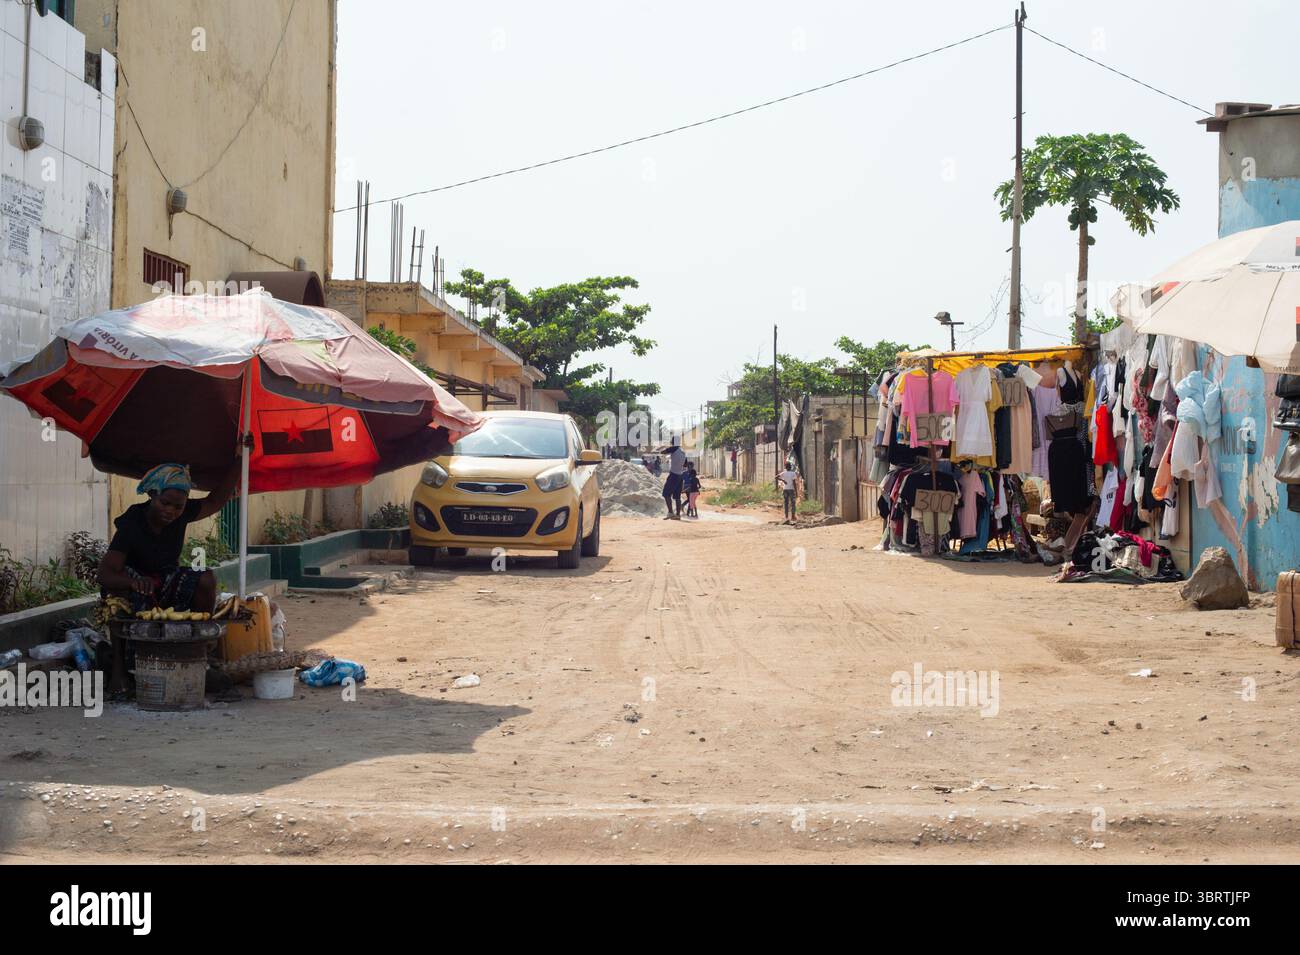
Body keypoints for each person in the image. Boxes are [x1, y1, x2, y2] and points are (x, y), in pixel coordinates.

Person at [98, 462, 240, 614]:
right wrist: (133, 582)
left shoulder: (183, 513)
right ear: (152, 494)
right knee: (118, 589)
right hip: (137, 588)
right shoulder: (132, 522)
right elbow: (105, 573)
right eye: (165, 503)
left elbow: (215, 501)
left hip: (167, 584)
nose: (170, 511)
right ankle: (126, 635)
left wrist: (238, 460)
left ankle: (201, 633)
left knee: (206, 578)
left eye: (178, 506)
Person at [659, 437, 687, 520]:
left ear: (673, 442)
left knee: (666, 494)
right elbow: (685, 465)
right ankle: (678, 515)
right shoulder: (683, 452)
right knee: (677, 496)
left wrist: (664, 447)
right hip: (680, 476)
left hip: (673, 475)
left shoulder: (674, 448)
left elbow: (663, 452)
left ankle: (670, 512)